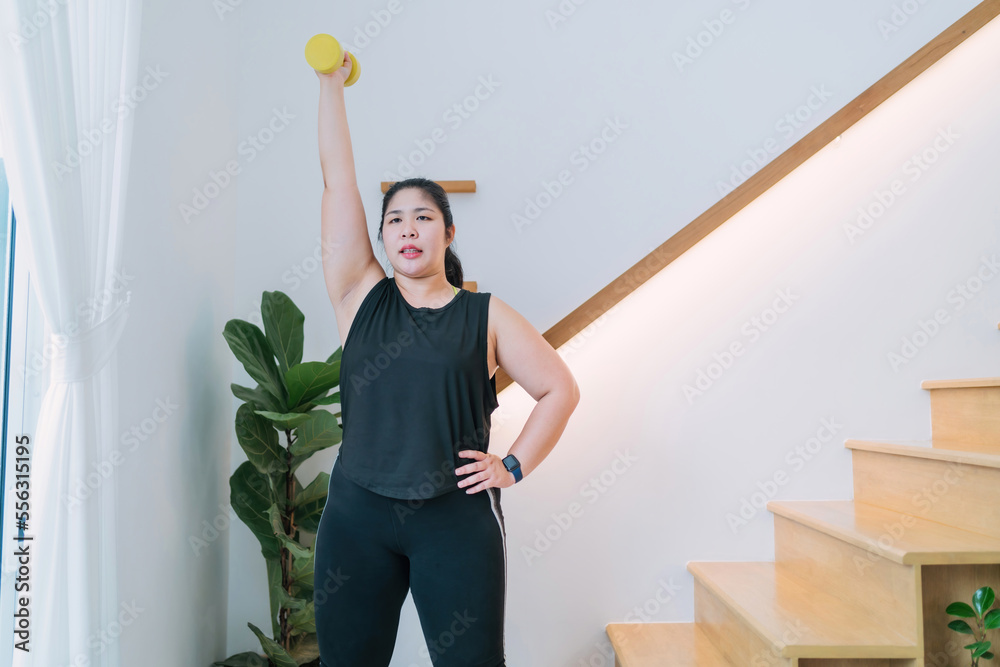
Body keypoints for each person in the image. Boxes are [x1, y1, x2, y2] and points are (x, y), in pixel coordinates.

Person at [311, 50, 580, 667]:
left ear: (448, 233)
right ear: (380, 238)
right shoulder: (359, 295)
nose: (408, 228)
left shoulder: (486, 315)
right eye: (396, 219)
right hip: (357, 517)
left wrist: (511, 465)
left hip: (454, 522)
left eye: (424, 217)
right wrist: (331, 85)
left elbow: (559, 389)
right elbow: (337, 181)